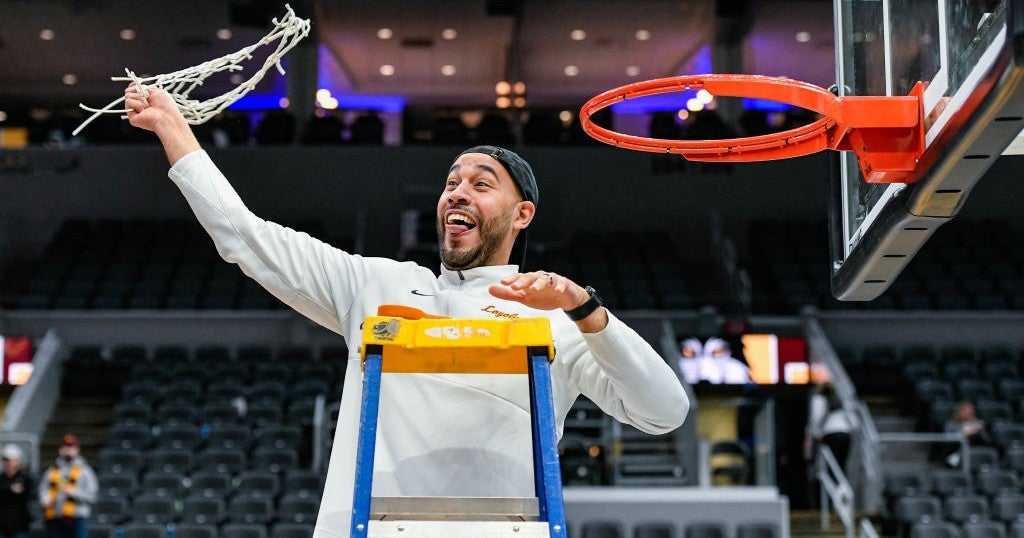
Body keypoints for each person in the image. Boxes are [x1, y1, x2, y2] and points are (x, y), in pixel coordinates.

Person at [123, 85, 690, 536]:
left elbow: (664, 412)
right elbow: (247, 238)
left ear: (522, 215)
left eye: (481, 184)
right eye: (451, 183)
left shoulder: (554, 319)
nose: (457, 192)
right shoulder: (376, 284)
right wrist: (174, 129)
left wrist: (585, 309)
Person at [38, 435, 97, 538]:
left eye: (71, 447)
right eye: (65, 447)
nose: (68, 450)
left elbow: (92, 496)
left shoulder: (85, 471)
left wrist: (75, 492)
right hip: (55, 517)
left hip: (77, 518)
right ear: (60, 450)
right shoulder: (52, 470)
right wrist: (44, 498)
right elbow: (43, 489)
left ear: (77, 450)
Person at [805, 382, 855, 472]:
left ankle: (834, 479)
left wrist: (816, 434)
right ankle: (840, 480)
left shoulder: (819, 399)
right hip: (845, 433)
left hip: (830, 433)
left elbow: (816, 418)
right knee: (841, 464)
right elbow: (854, 421)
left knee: (832, 465)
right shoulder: (841, 401)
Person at [943, 400, 992, 467]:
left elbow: (987, 440)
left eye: (971, 411)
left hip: (976, 451)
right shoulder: (951, 424)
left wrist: (977, 427)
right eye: (965, 410)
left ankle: (959, 455)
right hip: (955, 449)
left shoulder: (978, 423)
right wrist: (967, 433)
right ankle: (957, 456)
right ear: (959, 412)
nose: (969, 412)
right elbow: (949, 439)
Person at [0, 444, 34, 538]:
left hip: (20, 525)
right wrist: (11, 489)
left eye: (12, 460)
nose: (9, 463)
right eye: (6, 460)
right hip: (2, 525)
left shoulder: (25, 478)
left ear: (18, 460)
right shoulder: (1, 478)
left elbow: (29, 496)